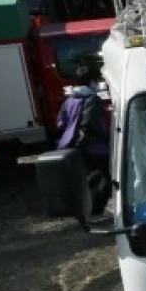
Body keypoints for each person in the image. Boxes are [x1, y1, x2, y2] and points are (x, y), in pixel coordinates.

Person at [55, 65, 110, 213]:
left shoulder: (69, 100)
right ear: (91, 80)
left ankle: (87, 205)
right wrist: (107, 138)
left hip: (76, 145)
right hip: (96, 146)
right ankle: (95, 207)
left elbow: (60, 123)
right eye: (96, 80)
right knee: (105, 177)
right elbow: (91, 124)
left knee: (90, 176)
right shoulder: (92, 99)